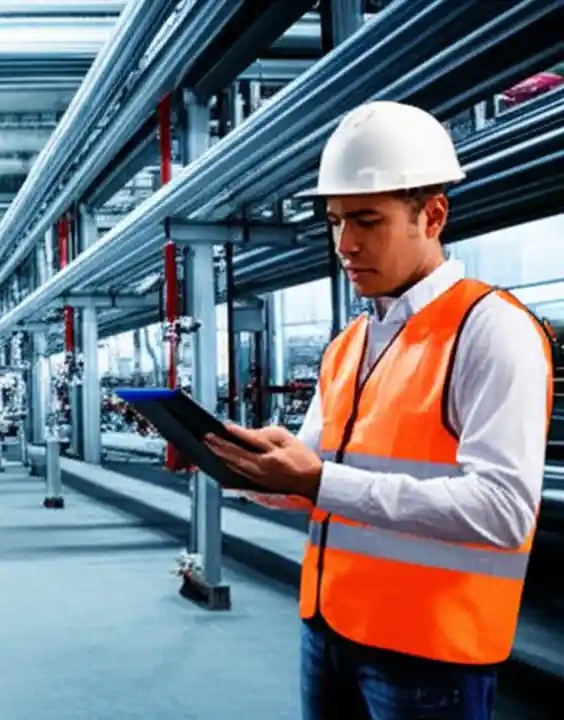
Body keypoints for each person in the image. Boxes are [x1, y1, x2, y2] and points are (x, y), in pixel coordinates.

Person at [203, 100, 554, 719]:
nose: (345, 244)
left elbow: (503, 512)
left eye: (367, 220)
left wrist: (318, 480)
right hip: (330, 630)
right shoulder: (349, 346)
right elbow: (314, 483)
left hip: (430, 652)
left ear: (433, 215)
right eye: (335, 221)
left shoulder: (490, 330)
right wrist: (239, 467)